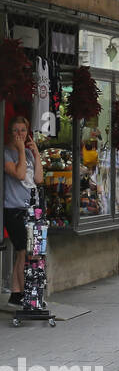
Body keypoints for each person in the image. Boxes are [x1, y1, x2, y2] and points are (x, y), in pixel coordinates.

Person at [4, 115, 43, 308]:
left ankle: (16, 294)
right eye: (15, 130)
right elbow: (19, 174)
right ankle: (27, 295)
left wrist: (35, 154)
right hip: (14, 209)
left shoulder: (27, 154)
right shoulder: (7, 153)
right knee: (26, 252)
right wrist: (20, 150)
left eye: (23, 131)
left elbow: (38, 178)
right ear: (10, 133)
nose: (19, 134)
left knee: (25, 253)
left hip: (31, 208)